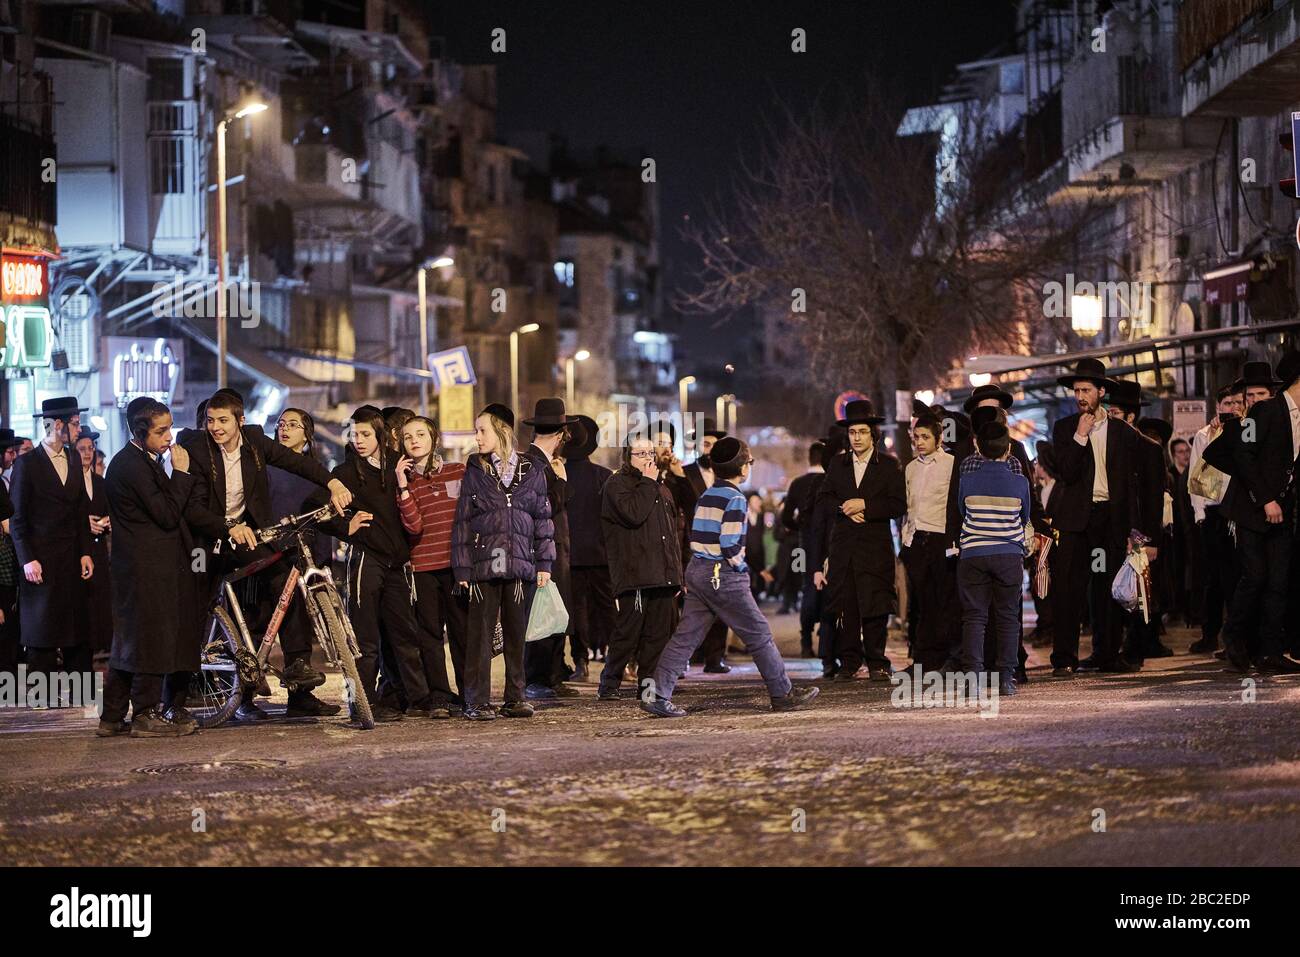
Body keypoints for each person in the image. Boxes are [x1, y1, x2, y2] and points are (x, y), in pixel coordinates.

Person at [180, 390, 352, 720]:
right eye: (211, 421)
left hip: (244, 535)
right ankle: (193, 690)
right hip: (202, 541)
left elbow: (297, 463)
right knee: (197, 599)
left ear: (240, 421)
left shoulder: (256, 442)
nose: (215, 428)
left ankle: (297, 670)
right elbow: (194, 507)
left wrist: (332, 482)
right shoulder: (197, 450)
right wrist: (227, 525)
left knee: (282, 573)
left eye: (223, 421)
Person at [643, 437, 820, 717]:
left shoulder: (708, 494)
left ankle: (656, 694)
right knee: (759, 634)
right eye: (749, 461)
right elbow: (730, 545)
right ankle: (782, 693)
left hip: (698, 570)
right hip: (722, 573)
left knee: (685, 638)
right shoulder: (736, 498)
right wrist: (741, 568)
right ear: (742, 468)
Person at [1047, 359, 1160, 677]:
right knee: (1069, 588)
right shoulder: (1066, 427)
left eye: (1086, 390)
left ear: (1100, 392)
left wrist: (1137, 533)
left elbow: (1134, 480)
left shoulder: (1122, 432)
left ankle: (1107, 653)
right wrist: (1080, 436)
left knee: (1108, 587)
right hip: (1075, 520)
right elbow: (1066, 472)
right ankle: (1064, 657)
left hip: (1109, 518)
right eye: (1077, 390)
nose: (1080, 395)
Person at [322, 406, 432, 722]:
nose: (359, 440)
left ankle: (419, 700)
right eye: (354, 434)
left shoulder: (399, 467)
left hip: (397, 565)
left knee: (404, 635)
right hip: (364, 563)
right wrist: (346, 526)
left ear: (381, 435)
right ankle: (360, 704)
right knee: (364, 642)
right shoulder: (343, 474)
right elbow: (317, 512)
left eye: (365, 434)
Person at [100, 399, 202, 737]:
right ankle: (145, 713)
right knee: (149, 641)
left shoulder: (141, 460)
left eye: (170, 428)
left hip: (140, 565)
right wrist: (183, 474)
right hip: (145, 568)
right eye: (161, 431)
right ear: (139, 432)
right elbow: (167, 514)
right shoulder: (131, 466)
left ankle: (112, 716)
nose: (169, 437)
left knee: (130, 641)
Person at [452, 404, 555, 720]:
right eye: (476, 430)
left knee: (515, 634)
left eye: (482, 430)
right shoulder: (475, 469)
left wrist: (545, 565)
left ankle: (516, 697)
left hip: (520, 565)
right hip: (484, 565)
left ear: (502, 431)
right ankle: (477, 700)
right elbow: (463, 521)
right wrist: (463, 567)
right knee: (479, 636)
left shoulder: (533, 469)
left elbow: (543, 517)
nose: (477, 437)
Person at [809, 398, 907, 682]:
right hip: (844, 547)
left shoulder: (888, 464)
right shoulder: (838, 464)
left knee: (876, 605)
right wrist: (843, 508)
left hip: (875, 546)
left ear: (873, 433)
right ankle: (849, 661)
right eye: (852, 432)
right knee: (846, 606)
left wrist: (864, 505)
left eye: (862, 431)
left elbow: (898, 504)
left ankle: (877, 661)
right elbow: (824, 498)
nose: (857, 437)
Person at [1219, 352, 1300, 674]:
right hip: (1252, 508)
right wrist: (1266, 499)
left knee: (1279, 582)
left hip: (1283, 511)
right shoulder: (1266, 410)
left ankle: (1270, 651)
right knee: (1255, 576)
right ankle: (1234, 639)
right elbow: (1243, 452)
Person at [10, 397, 94, 701]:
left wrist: (85, 551)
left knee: (76, 630)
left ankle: (81, 695)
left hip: (71, 560)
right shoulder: (26, 464)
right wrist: (27, 559)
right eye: (74, 422)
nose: (79, 428)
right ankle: (40, 697)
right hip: (40, 564)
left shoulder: (73, 458)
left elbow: (80, 512)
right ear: (58, 425)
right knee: (42, 633)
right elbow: (17, 518)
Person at [266, 408, 340, 718]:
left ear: (307, 434)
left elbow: (324, 517)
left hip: (302, 555)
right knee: (259, 624)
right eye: (281, 424)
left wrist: (322, 559)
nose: (284, 429)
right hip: (266, 553)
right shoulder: (264, 466)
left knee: (299, 625)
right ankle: (241, 694)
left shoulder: (316, 471)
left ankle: (300, 697)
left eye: (292, 425)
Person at [598, 434, 683, 699]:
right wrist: (648, 482)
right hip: (634, 575)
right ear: (628, 456)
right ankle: (609, 683)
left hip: (661, 575)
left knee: (657, 637)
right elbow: (633, 514)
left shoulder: (661, 487)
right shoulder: (616, 485)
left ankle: (647, 688)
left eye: (650, 453)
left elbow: (671, 534)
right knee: (628, 633)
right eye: (641, 453)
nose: (648, 458)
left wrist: (676, 575)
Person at [396, 414, 469, 717]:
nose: (414, 440)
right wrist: (402, 485)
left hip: (456, 566)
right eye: (408, 436)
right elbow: (413, 527)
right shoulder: (405, 483)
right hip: (423, 567)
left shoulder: (457, 471)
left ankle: (470, 693)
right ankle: (439, 694)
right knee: (430, 634)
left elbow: (467, 516)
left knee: (463, 631)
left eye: (420, 434)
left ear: (433, 438)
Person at [957, 421, 1031, 696]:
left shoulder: (967, 479)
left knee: (974, 617)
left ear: (978, 448)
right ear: (1008, 449)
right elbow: (1024, 518)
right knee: (1008, 618)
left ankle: (973, 678)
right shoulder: (1020, 482)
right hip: (1009, 554)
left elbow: (961, 510)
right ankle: (1006, 679)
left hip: (974, 554)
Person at [520, 397, 579, 699]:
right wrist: (561, 483)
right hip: (542, 551)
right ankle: (538, 677)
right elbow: (542, 506)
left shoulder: (543, 463)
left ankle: (553, 674)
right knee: (543, 613)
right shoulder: (532, 463)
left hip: (556, 550)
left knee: (557, 612)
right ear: (559, 436)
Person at [1187, 384, 1243, 654]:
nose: (1231, 407)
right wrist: (1199, 514)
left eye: (1236, 402)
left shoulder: (1246, 428)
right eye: (1227, 403)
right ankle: (1210, 634)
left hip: (1239, 509)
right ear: (1218, 406)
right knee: (1213, 578)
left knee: (1236, 576)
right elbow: (1195, 478)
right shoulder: (1203, 435)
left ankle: (1235, 637)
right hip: (1213, 511)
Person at [900, 414, 957, 674]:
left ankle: (947, 659)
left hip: (941, 538)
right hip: (916, 540)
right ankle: (923, 661)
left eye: (925, 437)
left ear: (939, 437)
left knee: (945, 602)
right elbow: (909, 507)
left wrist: (953, 542)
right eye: (916, 437)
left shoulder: (951, 464)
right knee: (921, 604)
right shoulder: (910, 468)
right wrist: (905, 540)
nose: (920, 442)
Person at [561, 415, 614, 674]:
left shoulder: (557, 475)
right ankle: (617, 657)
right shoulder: (603, 476)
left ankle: (580, 660)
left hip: (570, 555)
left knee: (575, 608)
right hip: (601, 554)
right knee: (607, 607)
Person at [781, 440, 827, 658]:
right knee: (828, 591)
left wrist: (800, 527)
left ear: (809, 458)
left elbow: (785, 517)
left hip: (804, 546)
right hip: (828, 545)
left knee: (807, 588)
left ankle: (806, 640)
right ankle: (826, 640)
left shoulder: (797, 484)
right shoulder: (830, 480)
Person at [75, 427, 113, 659]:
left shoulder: (100, 482)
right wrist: (84, 522)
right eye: (82, 449)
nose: (87, 453)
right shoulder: (70, 480)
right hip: (79, 548)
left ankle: (100, 642)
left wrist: (109, 520)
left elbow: (111, 509)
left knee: (100, 597)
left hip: (99, 548)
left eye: (90, 449)